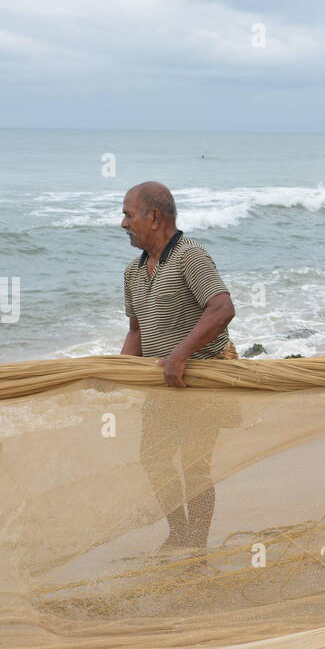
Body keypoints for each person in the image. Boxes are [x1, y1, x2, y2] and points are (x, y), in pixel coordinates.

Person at [120, 181, 238, 550]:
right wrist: (117, 373)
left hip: (199, 381)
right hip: (162, 385)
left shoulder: (190, 256)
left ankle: (196, 546)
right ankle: (179, 531)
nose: (123, 223)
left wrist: (180, 356)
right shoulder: (133, 272)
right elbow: (136, 331)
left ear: (154, 217)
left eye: (128, 214)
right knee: (153, 459)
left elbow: (222, 308)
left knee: (195, 468)